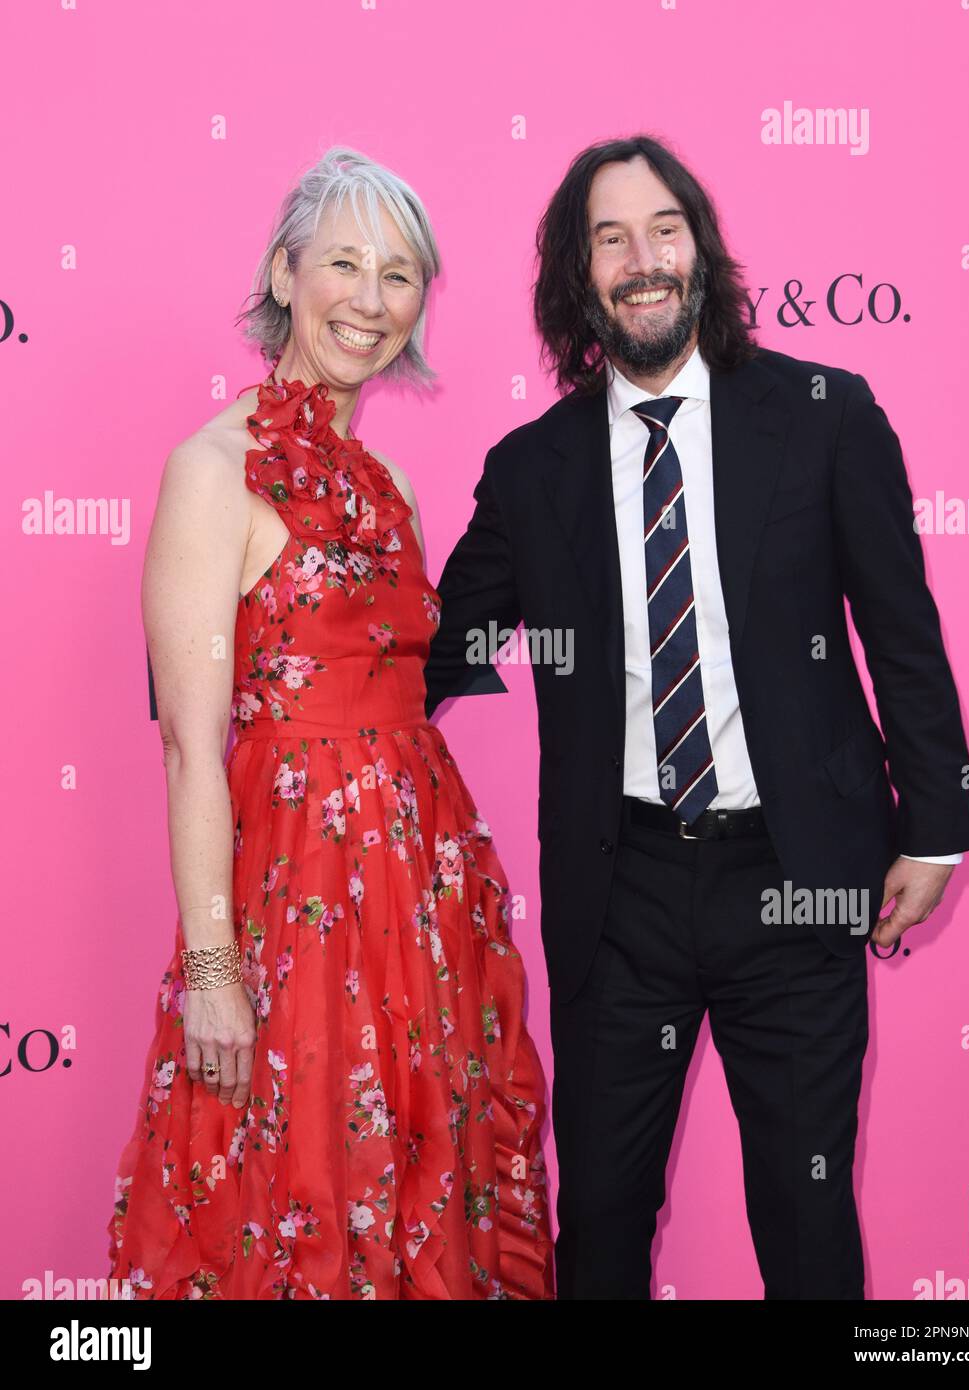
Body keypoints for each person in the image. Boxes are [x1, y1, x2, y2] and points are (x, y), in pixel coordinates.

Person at [424, 133, 969, 1300]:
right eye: (609, 238)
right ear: (578, 279)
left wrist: (936, 825)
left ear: (701, 249)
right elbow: (435, 650)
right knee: (606, 1217)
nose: (642, 260)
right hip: (617, 893)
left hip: (797, 874)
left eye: (663, 229)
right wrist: (266, 666)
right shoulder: (532, 469)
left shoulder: (824, 414)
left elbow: (901, 628)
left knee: (806, 1204)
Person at [107, 147, 554, 1300]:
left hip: (422, 897)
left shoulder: (392, 481)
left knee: (418, 1172)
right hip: (291, 902)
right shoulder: (212, 471)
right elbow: (188, 743)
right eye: (344, 263)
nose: (369, 298)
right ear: (284, 273)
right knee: (287, 1177)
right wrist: (212, 966)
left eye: (398, 274)